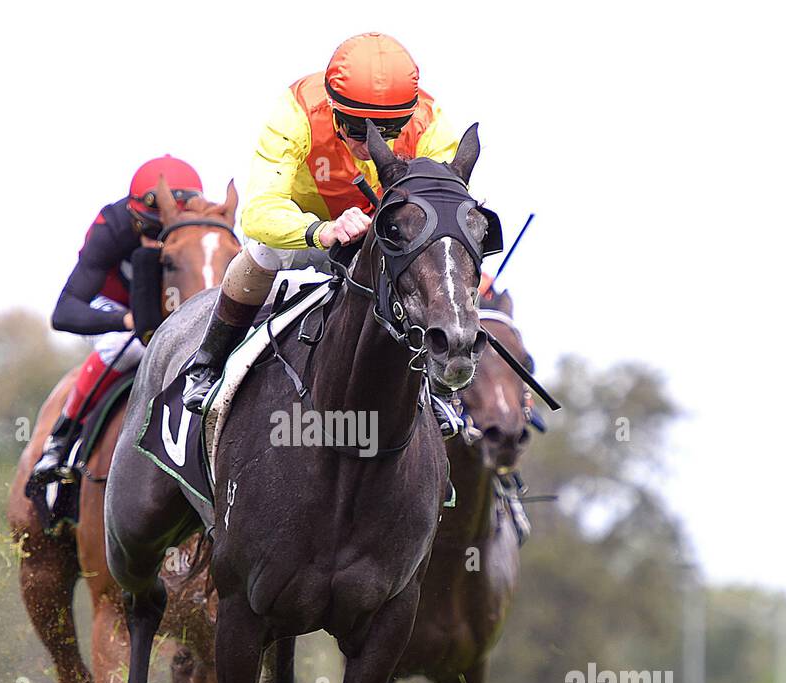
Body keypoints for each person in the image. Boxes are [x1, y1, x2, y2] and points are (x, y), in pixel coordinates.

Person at [182, 32, 462, 412]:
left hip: (387, 234)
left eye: (390, 131)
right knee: (263, 250)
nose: (368, 146)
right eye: (356, 129)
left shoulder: (433, 125)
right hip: (305, 229)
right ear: (332, 108)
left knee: (439, 259)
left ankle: (441, 383)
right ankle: (208, 365)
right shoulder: (296, 112)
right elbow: (258, 212)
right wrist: (321, 230)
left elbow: (441, 217)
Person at [26, 156, 204, 497]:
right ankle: (59, 441)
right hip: (122, 306)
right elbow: (64, 311)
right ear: (135, 217)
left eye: (170, 229)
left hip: (178, 309)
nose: (159, 240)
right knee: (124, 347)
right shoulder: (111, 228)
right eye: (153, 229)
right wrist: (125, 321)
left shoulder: (205, 226)